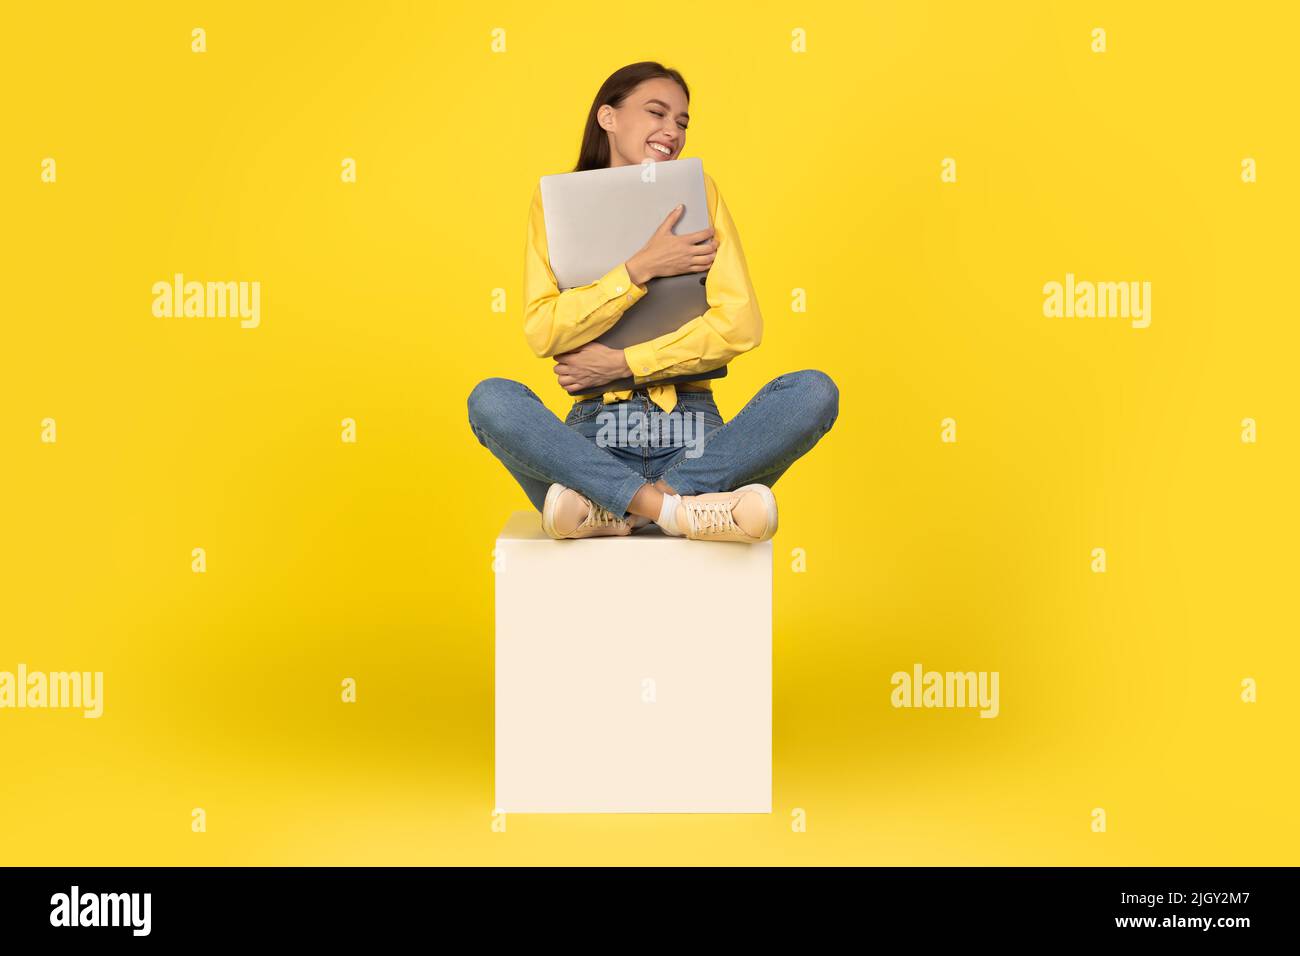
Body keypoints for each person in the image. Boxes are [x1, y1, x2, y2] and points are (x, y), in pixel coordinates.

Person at [468, 61, 839, 544]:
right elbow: (543, 331)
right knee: (491, 399)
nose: (672, 131)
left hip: (696, 437)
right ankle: (676, 510)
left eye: (682, 122)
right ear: (608, 117)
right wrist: (639, 269)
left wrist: (625, 363)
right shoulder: (555, 203)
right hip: (591, 441)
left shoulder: (699, 193)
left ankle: (615, 509)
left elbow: (740, 324)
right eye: (657, 113)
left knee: (812, 392)